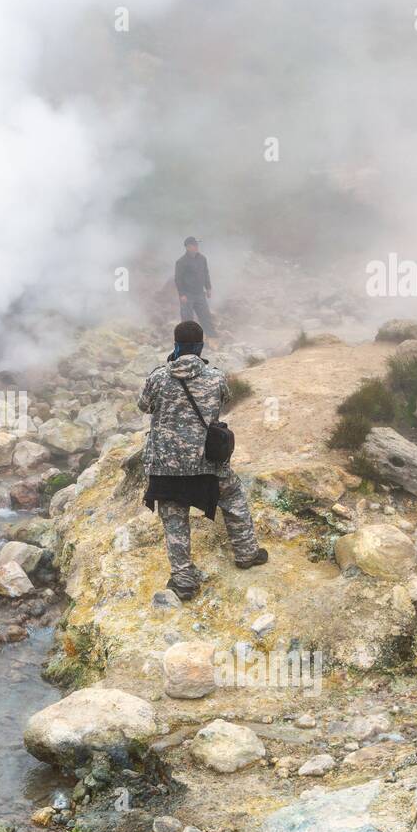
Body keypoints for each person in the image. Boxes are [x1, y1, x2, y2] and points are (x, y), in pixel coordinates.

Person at [138, 320, 266, 601]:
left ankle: (183, 580)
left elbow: (144, 406)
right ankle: (246, 553)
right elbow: (224, 401)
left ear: (175, 345)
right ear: (200, 346)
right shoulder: (215, 377)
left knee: (174, 519)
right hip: (207, 464)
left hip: (166, 466)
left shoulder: (158, 377)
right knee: (232, 497)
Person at [174, 236, 217, 337]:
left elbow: (206, 273)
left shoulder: (202, 259)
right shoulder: (181, 262)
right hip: (187, 295)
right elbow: (178, 279)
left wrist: (208, 288)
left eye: (197, 245)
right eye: (194, 245)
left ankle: (212, 337)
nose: (197, 247)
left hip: (200, 293)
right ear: (188, 247)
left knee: (205, 316)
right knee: (187, 319)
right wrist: (182, 294)